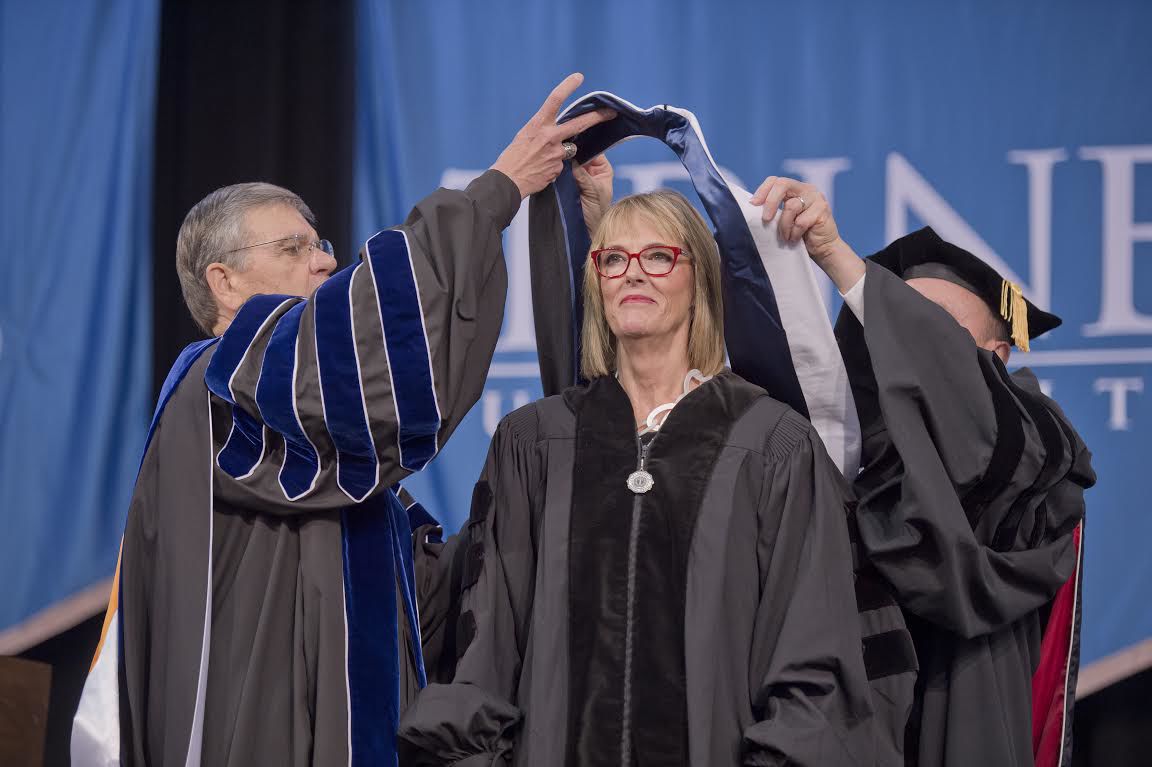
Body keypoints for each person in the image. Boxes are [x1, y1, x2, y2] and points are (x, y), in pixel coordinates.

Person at [69, 73, 615, 767]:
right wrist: (497, 191)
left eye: (321, 243)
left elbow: (425, 614)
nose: (326, 259)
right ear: (223, 280)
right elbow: (364, 333)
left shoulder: (315, 455)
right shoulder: (217, 384)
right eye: (294, 248)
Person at [398, 189, 875, 766]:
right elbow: (488, 646)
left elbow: (810, 656)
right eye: (614, 259)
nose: (633, 274)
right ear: (596, 282)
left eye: (657, 257)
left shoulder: (771, 443)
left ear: (700, 279)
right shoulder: (536, 442)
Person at [751, 176, 1095, 766]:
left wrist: (838, 258)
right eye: (899, 330)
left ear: (998, 354)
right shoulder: (834, 457)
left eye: (938, 333)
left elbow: (971, 445)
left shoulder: (1039, 450)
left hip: (969, 705)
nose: (910, 353)